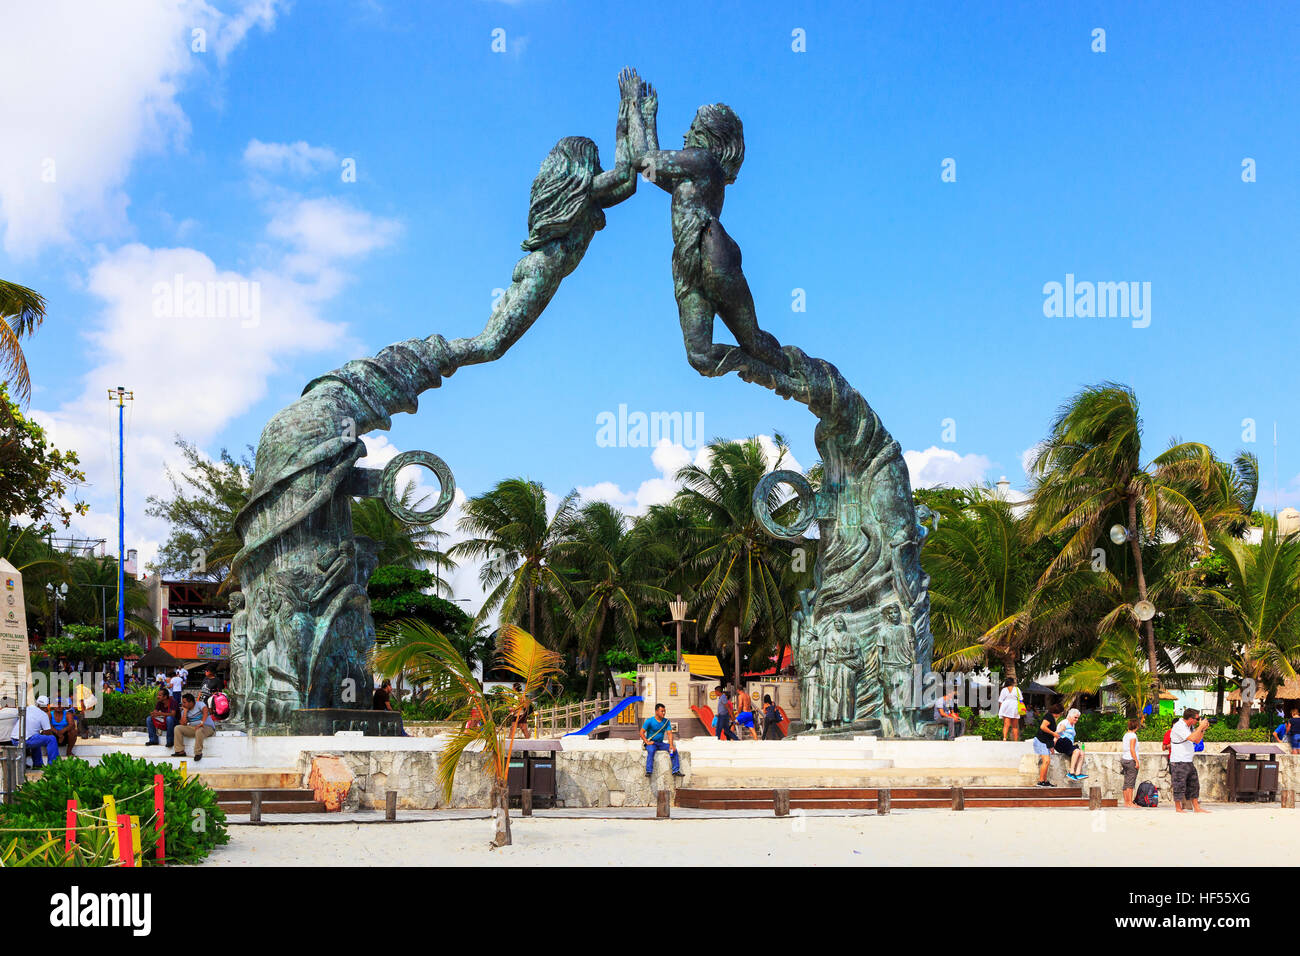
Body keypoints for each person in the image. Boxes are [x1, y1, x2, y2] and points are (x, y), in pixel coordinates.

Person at [1169, 708, 1211, 813]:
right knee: (1179, 785)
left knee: (1194, 784)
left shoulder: (1189, 727)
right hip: (1178, 760)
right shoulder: (1179, 726)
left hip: (1188, 760)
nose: (1198, 720)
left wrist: (1202, 729)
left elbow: (1197, 740)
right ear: (1191, 718)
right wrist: (1200, 727)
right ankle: (1178, 808)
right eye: (1197, 719)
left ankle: (1196, 807)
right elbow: (1192, 738)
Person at [639, 703, 683, 776]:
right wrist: (646, 741)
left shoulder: (666, 722)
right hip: (652, 743)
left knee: (673, 750)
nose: (664, 713)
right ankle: (649, 771)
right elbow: (641, 732)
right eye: (662, 711)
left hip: (660, 744)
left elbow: (670, 734)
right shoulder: (649, 721)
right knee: (651, 750)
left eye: (664, 711)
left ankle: (675, 770)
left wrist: (671, 745)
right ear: (656, 711)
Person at [16, 695, 59, 768]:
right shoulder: (43, 715)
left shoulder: (27, 709)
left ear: (37, 704)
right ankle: (53, 766)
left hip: (15, 739)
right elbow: (48, 732)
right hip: (25, 740)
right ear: (47, 706)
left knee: (36, 738)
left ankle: (38, 764)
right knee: (52, 739)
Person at [172, 692, 217, 761]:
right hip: (194, 728)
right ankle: (180, 751)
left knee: (199, 729)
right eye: (182, 702)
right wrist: (185, 711)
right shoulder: (184, 710)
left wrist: (202, 722)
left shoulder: (199, 704)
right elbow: (183, 723)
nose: (183, 704)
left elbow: (205, 711)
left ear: (191, 702)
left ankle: (198, 753)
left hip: (207, 728)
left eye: (184, 702)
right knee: (177, 728)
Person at [1033, 703, 1064, 787]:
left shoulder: (1052, 718)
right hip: (1040, 741)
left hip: (1045, 742)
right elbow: (1043, 727)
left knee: (1047, 761)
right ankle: (1041, 781)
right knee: (1046, 761)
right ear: (1058, 712)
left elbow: (1048, 736)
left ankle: (1044, 780)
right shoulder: (1049, 716)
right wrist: (1053, 733)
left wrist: (1051, 746)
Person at [1054, 708, 1087, 779]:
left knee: (1081, 753)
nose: (1077, 719)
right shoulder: (1065, 722)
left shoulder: (1072, 725)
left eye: (1077, 718)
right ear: (1070, 716)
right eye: (1075, 717)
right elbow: (1057, 733)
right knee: (1076, 750)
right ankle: (1071, 772)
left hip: (1068, 744)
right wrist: (1051, 746)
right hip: (1061, 743)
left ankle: (1078, 773)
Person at [1121, 718, 1141, 808]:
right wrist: (1136, 761)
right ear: (1136, 726)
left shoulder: (1126, 735)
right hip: (1130, 760)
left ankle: (1126, 802)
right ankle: (1129, 802)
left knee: (1126, 781)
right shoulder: (1133, 736)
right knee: (1130, 782)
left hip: (1124, 759)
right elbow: (1132, 749)